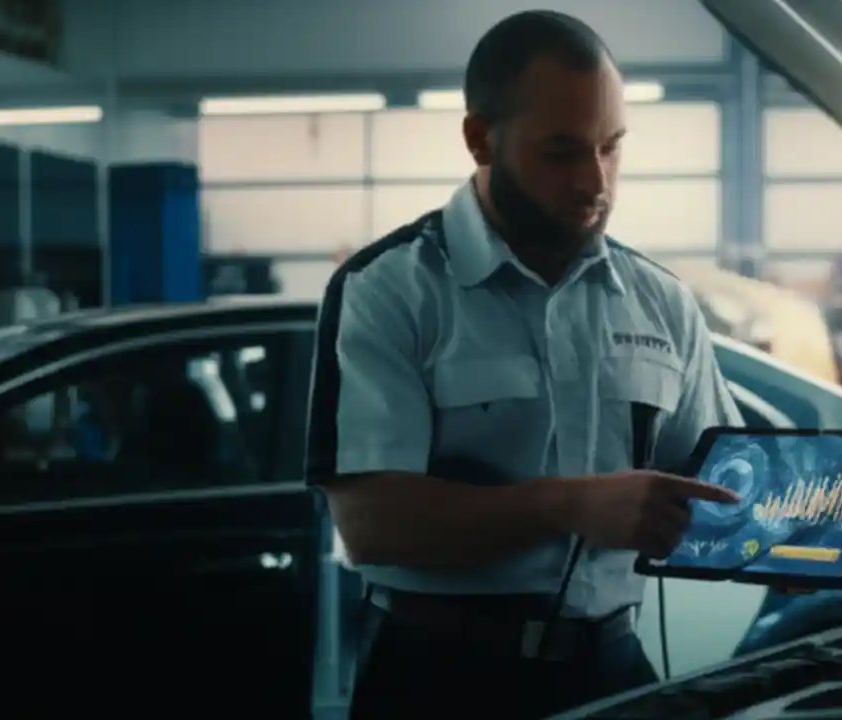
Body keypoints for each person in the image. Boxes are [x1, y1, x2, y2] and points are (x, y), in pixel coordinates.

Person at [303, 9, 744, 719]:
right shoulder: (390, 290)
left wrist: (816, 519)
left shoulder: (660, 302)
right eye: (562, 152)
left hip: (614, 669)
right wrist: (571, 505)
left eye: (612, 147)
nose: (594, 181)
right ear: (481, 139)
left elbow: (721, 485)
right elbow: (374, 523)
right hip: (441, 680)